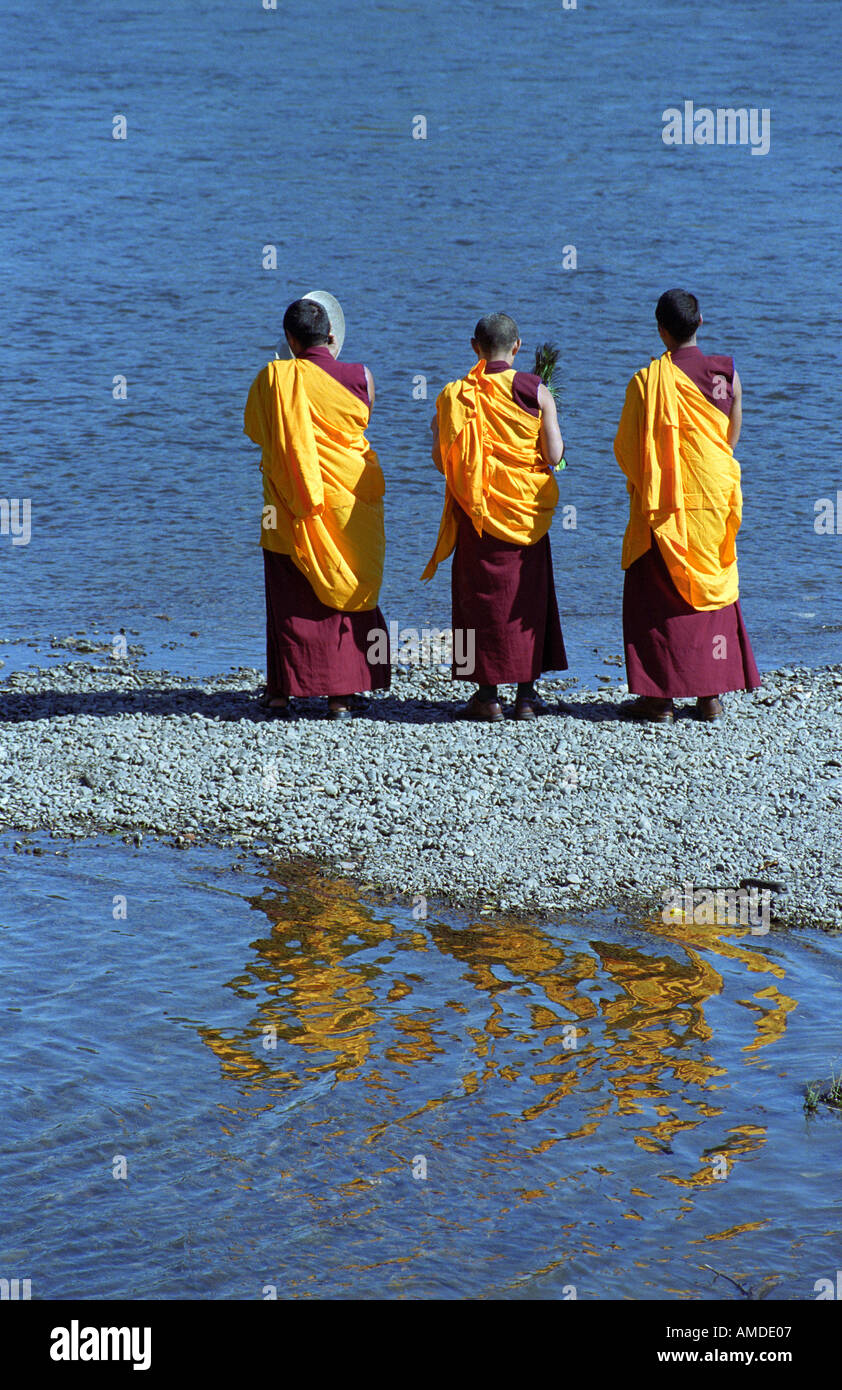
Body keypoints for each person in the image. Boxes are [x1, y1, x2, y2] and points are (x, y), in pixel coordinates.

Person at [614, 288, 760, 723]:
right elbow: (730, 439)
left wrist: (654, 482)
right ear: (701, 322)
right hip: (713, 491)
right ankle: (709, 696)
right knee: (710, 588)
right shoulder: (726, 375)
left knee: (658, 595)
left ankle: (659, 699)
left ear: (661, 331)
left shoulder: (647, 382)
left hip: (667, 500)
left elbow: (626, 450)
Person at [244, 298, 389, 719]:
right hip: (349, 503)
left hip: (291, 503)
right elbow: (359, 425)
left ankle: (280, 693)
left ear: (289, 340)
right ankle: (339, 696)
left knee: (291, 595)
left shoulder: (275, 376)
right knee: (343, 590)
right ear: (331, 337)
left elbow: (258, 432)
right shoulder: (362, 376)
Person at [421, 313, 567, 721]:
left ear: (474, 347)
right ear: (517, 347)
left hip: (479, 514)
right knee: (527, 601)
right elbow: (554, 455)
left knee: (480, 601)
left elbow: (443, 462)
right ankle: (525, 697)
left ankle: (486, 697)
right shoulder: (535, 389)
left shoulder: (455, 395)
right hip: (526, 514)